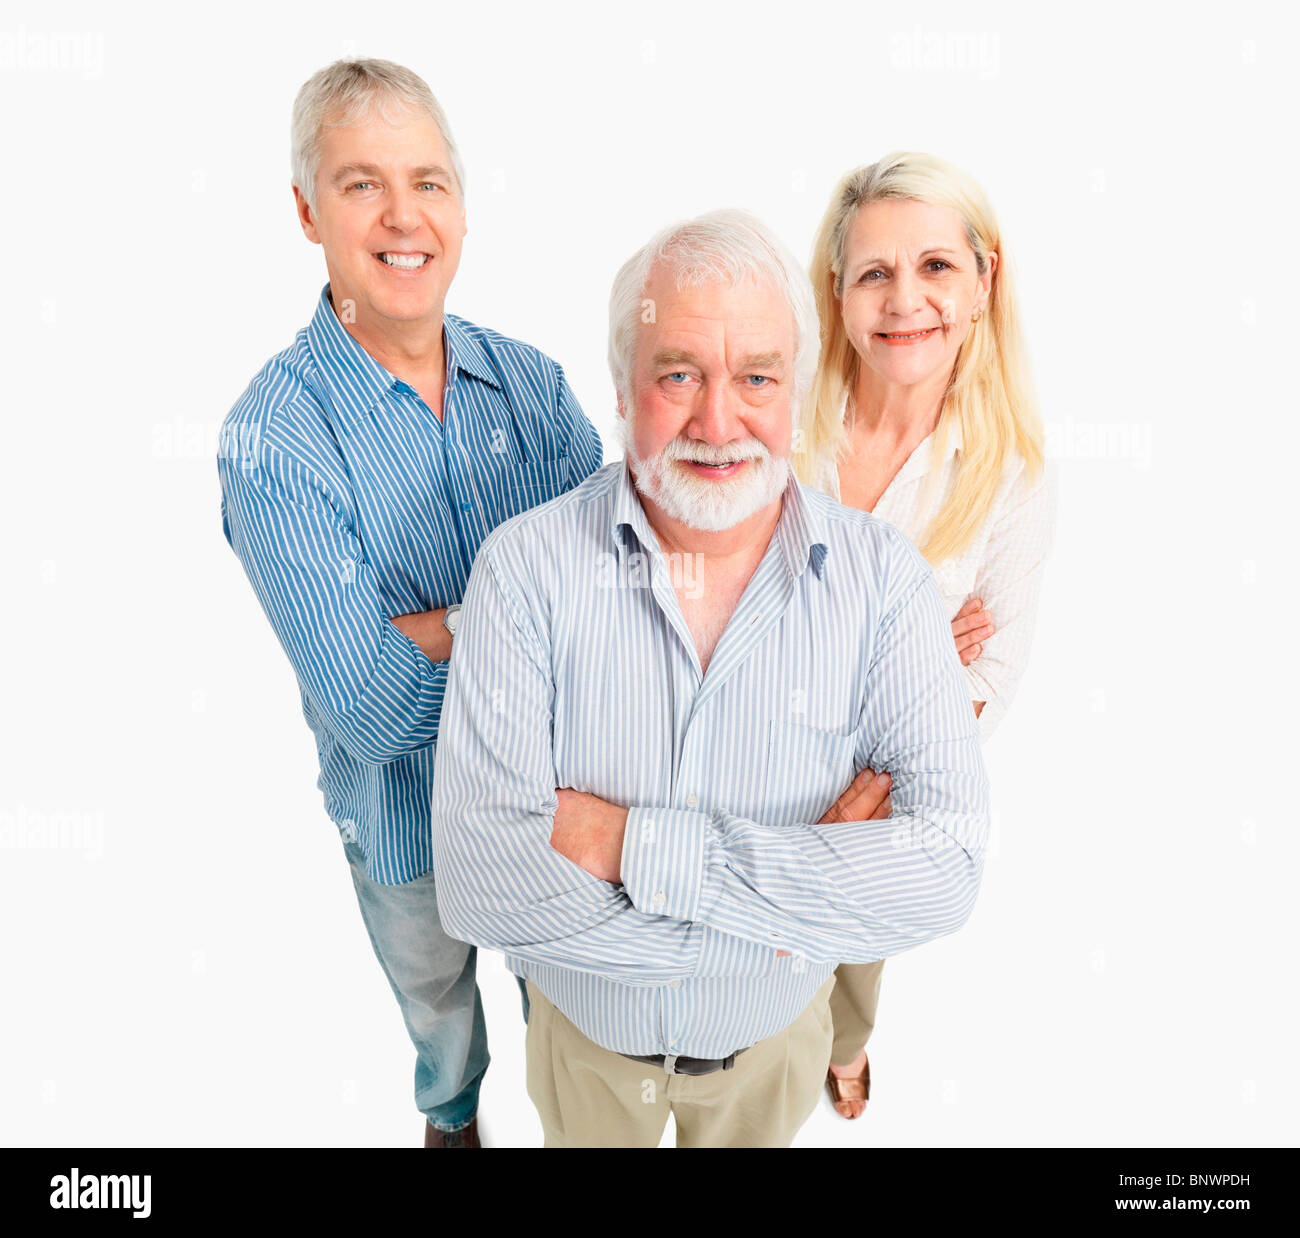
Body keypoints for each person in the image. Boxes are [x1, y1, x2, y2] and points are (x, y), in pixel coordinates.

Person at [432, 209, 990, 1147]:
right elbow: (484, 884)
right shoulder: (524, 570)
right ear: (621, 385)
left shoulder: (885, 581)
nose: (718, 420)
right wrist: (785, 923)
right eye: (679, 374)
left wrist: (623, 846)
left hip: (769, 1055)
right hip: (588, 1054)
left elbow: (945, 870)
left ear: (799, 389)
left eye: (757, 377)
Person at [216, 58, 602, 1147]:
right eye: (360, 184)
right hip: (404, 823)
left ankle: (560, 1109)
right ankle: (452, 1112)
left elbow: (613, 603)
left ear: (463, 208)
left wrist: (432, 625)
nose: (403, 216)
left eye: (428, 181)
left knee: (566, 1018)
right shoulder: (273, 439)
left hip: (555, 804)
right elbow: (375, 710)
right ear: (306, 210)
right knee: (439, 1011)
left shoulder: (533, 383)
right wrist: (524, 609)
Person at [796, 151, 1055, 1119]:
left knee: (852, 964)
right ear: (839, 291)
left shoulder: (1013, 476)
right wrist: (907, 655)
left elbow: (990, 676)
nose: (905, 299)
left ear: (985, 279)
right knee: (747, 975)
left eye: (936, 266)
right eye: (874, 272)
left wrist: (894, 700)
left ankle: (847, 1047)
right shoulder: (778, 417)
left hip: (884, 797)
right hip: (743, 759)